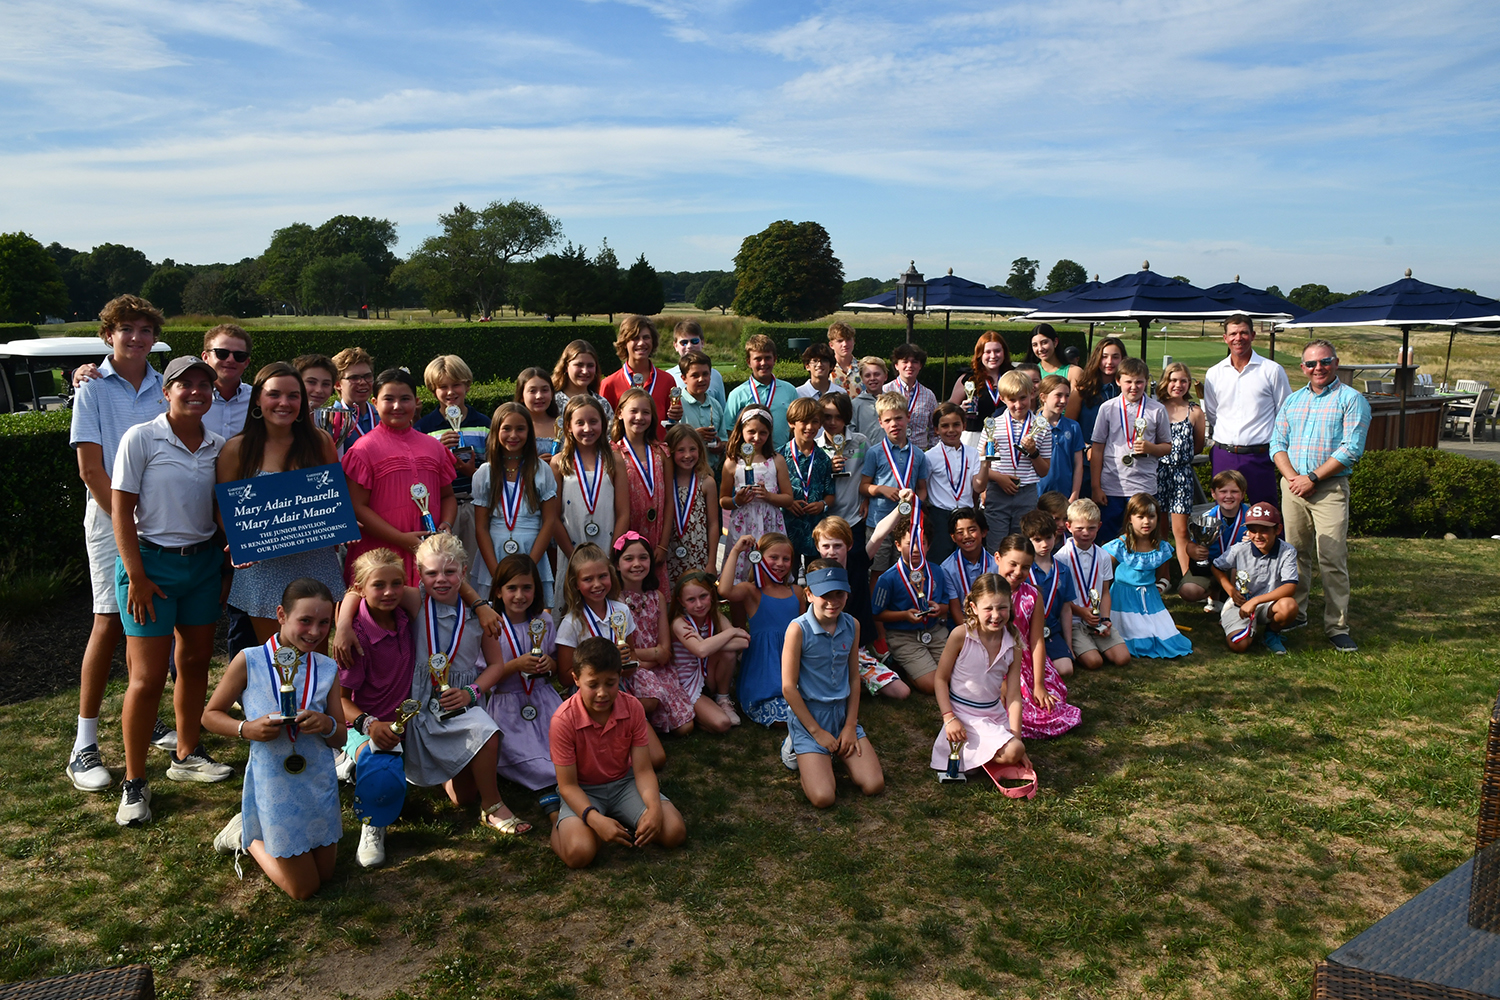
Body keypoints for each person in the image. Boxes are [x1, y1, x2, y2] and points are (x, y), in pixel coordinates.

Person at [111, 356, 233, 827]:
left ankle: (186, 754)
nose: (196, 392)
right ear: (167, 391)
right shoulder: (141, 438)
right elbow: (121, 513)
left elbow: (222, 511)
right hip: (150, 567)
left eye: (205, 385)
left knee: (196, 661)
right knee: (145, 679)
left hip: (201, 565)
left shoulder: (219, 445)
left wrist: (229, 562)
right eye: (186, 385)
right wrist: (136, 576)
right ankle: (135, 781)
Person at [66, 294, 171, 794]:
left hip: (164, 522)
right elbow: (91, 469)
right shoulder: (90, 389)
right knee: (108, 621)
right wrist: (129, 520)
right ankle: (83, 743)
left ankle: (145, 719)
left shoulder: (163, 385)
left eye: (144, 329)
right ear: (109, 335)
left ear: (155, 337)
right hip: (112, 520)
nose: (135, 337)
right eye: (125, 329)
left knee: (145, 618)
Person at [204, 578, 345, 899]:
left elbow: (339, 737)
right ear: (281, 615)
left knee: (327, 875)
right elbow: (210, 715)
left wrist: (325, 723)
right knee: (304, 888)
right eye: (305, 621)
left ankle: (261, 835)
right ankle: (248, 836)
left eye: (324, 622)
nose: (315, 631)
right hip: (274, 784)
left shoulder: (326, 668)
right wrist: (245, 728)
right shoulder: (249, 660)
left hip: (316, 782)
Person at [217, 363, 344, 646]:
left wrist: (340, 522)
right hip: (263, 570)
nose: (284, 403)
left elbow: (334, 497)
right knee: (277, 661)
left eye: (293, 395)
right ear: (258, 399)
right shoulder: (237, 449)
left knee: (315, 658)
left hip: (315, 564)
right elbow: (223, 509)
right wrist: (241, 541)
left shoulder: (320, 442)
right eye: (274, 395)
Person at [548, 637, 687, 869]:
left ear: (620, 676)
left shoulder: (632, 707)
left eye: (610, 683)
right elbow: (568, 786)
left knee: (674, 832)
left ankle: (623, 816)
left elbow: (643, 769)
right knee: (579, 854)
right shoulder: (562, 720)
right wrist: (594, 818)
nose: (602, 693)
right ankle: (556, 818)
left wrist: (653, 809)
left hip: (625, 784)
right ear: (576, 679)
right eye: (593, 685)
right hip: (583, 790)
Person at [1270, 339, 1370, 653]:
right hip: (1293, 487)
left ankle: (1337, 626)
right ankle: (1297, 614)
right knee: (1295, 554)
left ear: (1336, 363)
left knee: (1332, 559)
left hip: (1329, 490)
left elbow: (1351, 450)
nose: (1318, 368)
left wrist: (1312, 478)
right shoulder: (1292, 401)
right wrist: (1293, 479)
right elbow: (1277, 443)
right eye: (1311, 364)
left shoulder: (1352, 400)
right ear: (1302, 368)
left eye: (1324, 362)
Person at [781, 563, 884, 805]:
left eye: (839, 594)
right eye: (824, 595)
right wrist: (817, 733)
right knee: (824, 797)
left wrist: (849, 726)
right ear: (809, 595)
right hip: (811, 719)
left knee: (874, 784)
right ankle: (795, 745)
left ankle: (834, 750)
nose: (832, 601)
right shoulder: (798, 630)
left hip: (842, 715)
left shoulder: (852, 625)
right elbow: (788, 687)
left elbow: (853, 679)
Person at [341, 368, 456, 585]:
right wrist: (401, 539)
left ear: (416, 401)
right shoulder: (363, 449)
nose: (397, 406)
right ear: (375, 402)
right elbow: (357, 507)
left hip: (429, 555)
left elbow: (448, 496)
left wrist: (447, 523)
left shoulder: (434, 446)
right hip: (379, 557)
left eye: (405, 399)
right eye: (389, 399)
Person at [930, 573, 1029, 784]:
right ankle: (978, 757)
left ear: (1010, 606)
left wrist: (1015, 738)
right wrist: (949, 718)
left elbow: (1013, 696)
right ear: (974, 608)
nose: (996, 615)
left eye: (1002, 607)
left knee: (1015, 749)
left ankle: (979, 758)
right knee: (1012, 751)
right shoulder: (960, 635)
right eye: (988, 608)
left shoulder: (1013, 644)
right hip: (962, 714)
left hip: (993, 715)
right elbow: (940, 679)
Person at [483, 554, 565, 803]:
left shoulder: (545, 621)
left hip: (543, 699)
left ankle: (562, 773)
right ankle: (552, 777)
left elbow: (555, 667)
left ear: (536, 590)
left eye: (526, 588)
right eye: (512, 588)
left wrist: (549, 665)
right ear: (498, 591)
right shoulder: (490, 626)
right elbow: (484, 677)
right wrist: (515, 665)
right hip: (507, 706)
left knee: (565, 747)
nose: (520, 595)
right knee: (536, 763)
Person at [473, 402, 561, 606]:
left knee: (531, 612)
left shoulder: (542, 470)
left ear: (529, 432)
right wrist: (498, 574)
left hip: (532, 551)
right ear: (496, 431)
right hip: (493, 553)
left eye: (520, 429)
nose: (513, 435)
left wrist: (530, 565)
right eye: (507, 428)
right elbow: (481, 527)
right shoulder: (485, 473)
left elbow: (549, 521)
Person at [994, 534, 1081, 739]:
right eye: (1012, 564)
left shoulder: (1033, 595)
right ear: (998, 558)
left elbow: (1036, 640)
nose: (1017, 572)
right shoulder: (985, 592)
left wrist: (1039, 684)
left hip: (1024, 662)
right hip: (993, 663)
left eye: (1025, 567)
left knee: (1049, 705)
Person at [811, 516, 907, 699]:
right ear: (818, 547)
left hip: (857, 650)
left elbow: (879, 533)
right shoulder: (814, 573)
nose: (831, 552)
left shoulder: (859, 562)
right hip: (825, 652)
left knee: (901, 692)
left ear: (849, 545)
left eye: (837, 545)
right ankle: (849, 682)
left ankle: (856, 680)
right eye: (826, 546)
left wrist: (902, 504)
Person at [550, 396, 629, 611]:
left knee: (607, 608)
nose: (587, 428)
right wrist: (573, 557)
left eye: (593, 422)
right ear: (568, 426)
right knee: (572, 611)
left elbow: (623, 513)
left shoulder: (614, 460)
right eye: (580, 423)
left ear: (603, 424)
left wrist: (612, 554)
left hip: (606, 550)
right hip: (571, 552)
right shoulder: (558, 463)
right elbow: (553, 517)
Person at [614, 532, 693, 746]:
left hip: (657, 669)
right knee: (647, 702)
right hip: (629, 671)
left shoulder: (656, 597)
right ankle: (634, 722)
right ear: (618, 565)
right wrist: (652, 655)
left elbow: (666, 651)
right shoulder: (614, 602)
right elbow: (618, 652)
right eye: (629, 559)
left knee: (685, 727)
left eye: (643, 558)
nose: (637, 564)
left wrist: (652, 656)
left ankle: (648, 721)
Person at [1204, 315, 1290, 506]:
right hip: (1223, 454)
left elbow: (1285, 413)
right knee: (1225, 513)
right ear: (1225, 338)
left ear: (1253, 335)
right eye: (1233, 333)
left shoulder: (1272, 371)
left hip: (1259, 456)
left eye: (1243, 332)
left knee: (1265, 512)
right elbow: (1212, 413)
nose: (1238, 338)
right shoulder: (1214, 373)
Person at [718, 533, 803, 726]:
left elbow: (803, 631)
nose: (780, 563)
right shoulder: (752, 591)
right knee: (786, 720)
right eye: (773, 557)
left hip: (792, 664)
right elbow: (724, 591)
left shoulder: (796, 592)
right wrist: (736, 550)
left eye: (786, 559)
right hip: (763, 670)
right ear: (758, 558)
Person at [415, 355, 490, 566]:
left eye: (456, 385)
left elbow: (494, 470)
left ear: (467, 385)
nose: (450, 392)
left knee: (475, 565)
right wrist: (437, 451)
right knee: (445, 565)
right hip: (442, 509)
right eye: (442, 387)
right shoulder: (424, 428)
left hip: (477, 506)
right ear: (433, 390)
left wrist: (472, 471)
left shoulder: (484, 424)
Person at [1101, 494, 1193, 658]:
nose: (1146, 522)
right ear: (1130, 518)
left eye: (1151, 516)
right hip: (1123, 598)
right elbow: (1101, 571)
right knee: (1134, 636)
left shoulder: (1161, 547)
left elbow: (1164, 577)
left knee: (1163, 635)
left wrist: (1159, 588)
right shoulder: (1120, 545)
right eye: (1141, 516)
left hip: (1150, 598)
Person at [1089, 357, 1170, 542]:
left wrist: (1151, 448)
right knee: (1109, 539)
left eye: (1139, 382)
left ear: (1146, 381)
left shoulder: (1157, 410)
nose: (1134, 387)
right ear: (1118, 381)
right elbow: (1098, 448)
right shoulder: (1107, 408)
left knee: (1142, 537)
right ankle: (1109, 571)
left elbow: (1167, 446)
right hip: (1111, 486)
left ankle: (1140, 571)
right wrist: (1096, 487)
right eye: (1128, 382)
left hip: (1143, 486)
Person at [872, 513, 953, 695]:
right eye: (910, 543)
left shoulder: (937, 572)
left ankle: (920, 666)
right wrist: (903, 615)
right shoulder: (888, 579)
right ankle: (903, 668)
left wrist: (939, 609)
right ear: (898, 545)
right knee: (933, 686)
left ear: (929, 545)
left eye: (922, 543)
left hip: (934, 632)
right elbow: (876, 613)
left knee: (956, 677)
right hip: (903, 636)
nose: (916, 549)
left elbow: (946, 604)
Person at [860, 392, 931, 585]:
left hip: (907, 526)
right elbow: (864, 486)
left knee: (904, 570)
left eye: (899, 418)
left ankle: (900, 609)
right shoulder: (875, 452)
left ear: (908, 417)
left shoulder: (918, 455)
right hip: (879, 523)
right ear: (881, 423)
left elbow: (922, 488)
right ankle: (875, 614)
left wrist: (916, 501)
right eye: (888, 420)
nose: (894, 424)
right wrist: (882, 489)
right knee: (878, 571)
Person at [1212, 502, 1300, 655]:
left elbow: (1290, 586)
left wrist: (1256, 601)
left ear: (1278, 529)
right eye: (1252, 530)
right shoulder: (1239, 549)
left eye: (1264, 530)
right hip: (1241, 604)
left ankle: (1271, 634)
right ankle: (1244, 626)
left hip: (1269, 604)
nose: (1257, 536)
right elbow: (1216, 567)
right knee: (1238, 646)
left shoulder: (1287, 551)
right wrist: (1231, 591)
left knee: (1289, 606)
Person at [667, 570, 748, 731]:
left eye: (703, 596)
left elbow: (743, 642)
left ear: (711, 595)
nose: (699, 604)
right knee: (722, 724)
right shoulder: (679, 622)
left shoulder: (715, 616)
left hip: (707, 674)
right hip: (686, 682)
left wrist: (706, 643)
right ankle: (694, 712)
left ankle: (722, 698)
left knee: (727, 652)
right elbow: (701, 651)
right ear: (681, 601)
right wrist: (731, 632)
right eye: (691, 599)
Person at [1055, 498, 1130, 670]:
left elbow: (1104, 592)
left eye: (1091, 528)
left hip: (1096, 619)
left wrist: (1105, 619)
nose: (1086, 533)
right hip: (1074, 620)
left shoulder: (1103, 556)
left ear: (1099, 526)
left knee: (1123, 658)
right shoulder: (1061, 558)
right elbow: (1061, 599)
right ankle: (1083, 647)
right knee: (1094, 662)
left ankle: (1093, 642)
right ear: (1068, 526)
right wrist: (1081, 612)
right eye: (1079, 528)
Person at [720, 407, 791, 582]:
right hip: (743, 522)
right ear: (741, 430)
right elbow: (723, 500)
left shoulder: (777, 460)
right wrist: (737, 500)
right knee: (741, 573)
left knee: (770, 567)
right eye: (751, 431)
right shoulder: (732, 462)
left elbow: (788, 498)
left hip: (770, 522)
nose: (757, 437)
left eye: (763, 433)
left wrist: (769, 496)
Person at [980, 370, 1051, 537]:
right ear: (1003, 399)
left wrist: (1033, 453)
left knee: (1023, 542)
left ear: (1031, 394)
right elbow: (979, 464)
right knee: (996, 543)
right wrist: (999, 478)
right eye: (1012, 400)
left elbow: (1044, 471)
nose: (1018, 405)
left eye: (1023, 398)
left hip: (1027, 493)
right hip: (997, 490)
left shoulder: (1042, 428)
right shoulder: (993, 425)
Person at [1154, 362, 1207, 580]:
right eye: (1173, 380)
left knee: (1181, 530)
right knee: (1159, 529)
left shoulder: (1195, 412)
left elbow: (1198, 445)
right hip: (1157, 473)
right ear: (1166, 381)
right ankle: (1163, 577)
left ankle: (1187, 578)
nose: (1178, 385)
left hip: (1181, 475)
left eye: (1183, 381)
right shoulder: (1155, 407)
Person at [1178, 470, 1250, 608]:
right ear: (1213, 493)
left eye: (1234, 491)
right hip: (1211, 567)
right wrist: (1194, 551)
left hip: (1241, 569)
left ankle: (1234, 603)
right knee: (1188, 591)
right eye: (1223, 491)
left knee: (1240, 569)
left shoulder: (1251, 517)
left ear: (1243, 494)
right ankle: (1215, 592)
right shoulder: (1206, 518)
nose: (1229, 496)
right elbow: (1191, 544)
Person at [924, 402, 983, 567]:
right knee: (940, 560)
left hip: (966, 514)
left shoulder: (973, 453)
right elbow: (923, 487)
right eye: (944, 426)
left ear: (964, 425)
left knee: (968, 560)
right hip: (940, 516)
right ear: (936, 429)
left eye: (956, 424)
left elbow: (977, 487)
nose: (951, 430)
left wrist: (987, 463)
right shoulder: (930, 457)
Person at [780, 397, 835, 570]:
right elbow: (772, 492)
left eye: (815, 422)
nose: (810, 427)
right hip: (788, 528)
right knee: (788, 577)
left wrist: (822, 505)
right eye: (804, 422)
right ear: (791, 423)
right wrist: (787, 504)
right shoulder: (778, 457)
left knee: (816, 575)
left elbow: (831, 494)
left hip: (815, 528)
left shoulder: (823, 459)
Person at [1021, 509, 1076, 677]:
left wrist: (1069, 646)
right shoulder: (1022, 571)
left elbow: (1066, 609)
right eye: (1037, 540)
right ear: (1027, 540)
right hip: (1025, 633)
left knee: (1066, 669)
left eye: (1048, 538)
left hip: (1051, 631)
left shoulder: (1064, 571)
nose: (1044, 544)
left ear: (1055, 535)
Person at [664, 424, 720, 585]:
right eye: (681, 450)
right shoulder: (664, 480)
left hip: (698, 555)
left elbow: (713, 524)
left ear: (700, 451)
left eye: (692, 449)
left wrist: (711, 561)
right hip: (669, 554)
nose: (687, 455)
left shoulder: (707, 482)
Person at [600, 315, 678, 430]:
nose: (641, 343)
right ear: (624, 343)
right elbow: (603, 426)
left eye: (646, 337)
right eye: (635, 338)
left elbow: (671, 424)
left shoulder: (667, 380)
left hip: (659, 446)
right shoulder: (609, 384)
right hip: (622, 447)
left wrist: (676, 415)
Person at [724, 334, 798, 449]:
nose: (763, 363)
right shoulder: (737, 394)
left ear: (775, 359)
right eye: (758, 359)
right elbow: (729, 430)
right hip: (750, 458)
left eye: (767, 358)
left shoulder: (789, 390)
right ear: (749, 362)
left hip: (783, 456)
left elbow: (796, 426)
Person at [1074, 337, 1126, 498]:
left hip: (1119, 465)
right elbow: (1070, 426)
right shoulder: (1082, 390)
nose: (1109, 361)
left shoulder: (1127, 392)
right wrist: (1086, 447)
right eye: (1104, 356)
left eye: (1115, 357)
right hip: (1087, 464)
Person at [949, 331, 1013, 451]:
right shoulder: (967, 378)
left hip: (1007, 437)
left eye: (997, 351)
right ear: (979, 354)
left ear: (1004, 353)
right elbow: (949, 408)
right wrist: (960, 410)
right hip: (973, 437)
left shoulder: (1014, 376)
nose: (993, 356)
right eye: (987, 352)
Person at [675, 350, 725, 475]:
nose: (701, 379)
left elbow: (724, 439)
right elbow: (669, 441)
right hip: (684, 473)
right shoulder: (677, 406)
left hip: (712, 471)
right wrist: (694, 436)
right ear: (684, 378)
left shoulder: (715, 405)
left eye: (705, 374)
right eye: (695, 375)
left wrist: (720, 446)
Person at [1035, 375, 1084, 502]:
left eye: (1067, 396)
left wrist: (1075, 493)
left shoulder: (1073, 427)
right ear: (1043, 397)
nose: (1063, 400)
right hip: (1037, 494)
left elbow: (1078, 464)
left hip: (1065, 496)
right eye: (1058, 395)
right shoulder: (1032, 426)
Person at [884, 344, 939, 450]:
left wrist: (933, 453)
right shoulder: (885, 391)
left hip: (920, 454)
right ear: (896, 365)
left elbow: (935, 429)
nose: (910, 365)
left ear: (920, 366)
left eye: (915, 362)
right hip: (891, 453)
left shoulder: (929, 395)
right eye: (905, 361)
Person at [551, 339, 615, 429]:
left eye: (590, 365)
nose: (585, 371)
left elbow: (610, 437)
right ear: (566, 367)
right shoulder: (552, 402)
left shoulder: (603, 404)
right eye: (579, 365)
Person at [1025, 324, 1083, 420]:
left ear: (1055, 342)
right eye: (1035, 345)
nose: (1040, 349)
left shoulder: (1074, 372)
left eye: (1044, 342)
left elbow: (1072, 413)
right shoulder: (1031, 372)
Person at [667, 319, 726, 406]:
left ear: (702, 343)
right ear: (675, 346)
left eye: (694, 341)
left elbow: (722, 409)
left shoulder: (715, 375)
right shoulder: (668, 377)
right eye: (684, 342)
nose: (689, 346)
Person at [329, 347, 377, 453]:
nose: (363, 382)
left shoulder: (383, 416)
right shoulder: (331, 420)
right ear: (337, 384)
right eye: (354, 378)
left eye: (367, 376)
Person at [515, 366, 561, 458]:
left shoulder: (563, 425)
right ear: (521, 396)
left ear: (552, 394)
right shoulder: (513, 427)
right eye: (532, 391)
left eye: (544, 390)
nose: (539, 396)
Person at [850, 356, 887, 438]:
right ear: (862, 379)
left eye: (877, 374)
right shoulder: (855, 405)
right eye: (867, 375)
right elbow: (851, 434)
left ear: (885, 376)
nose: (872, 378)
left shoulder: (892, 403)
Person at [827, 321, 862, 396]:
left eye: (848, 339)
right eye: (840, 341)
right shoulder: (826, 369)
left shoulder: (864, 368)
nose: (845, 344)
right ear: (831, 345)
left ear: (854, 341)